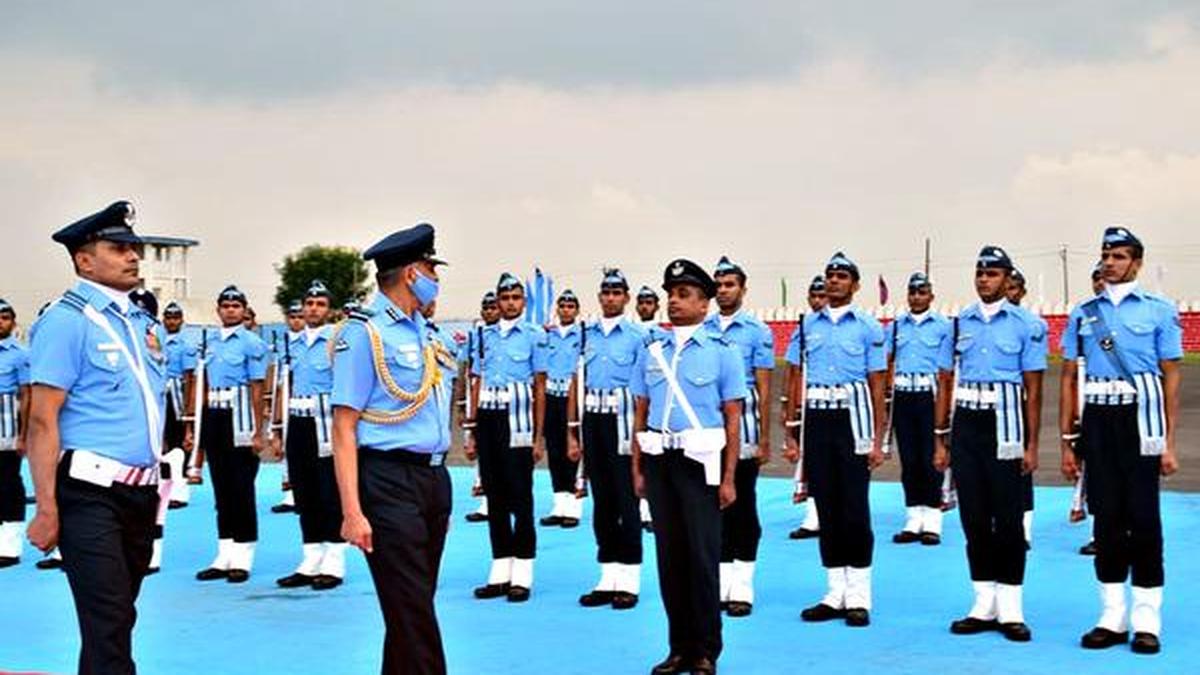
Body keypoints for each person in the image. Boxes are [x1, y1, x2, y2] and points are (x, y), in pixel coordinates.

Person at [25, 201, 166, 674]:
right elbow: (42, 420)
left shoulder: (142, 323)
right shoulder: (66, 321)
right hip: (89, 493)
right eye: (118, 249)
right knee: (108, 620)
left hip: (141, 493)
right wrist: (47, 508)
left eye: (133, 248)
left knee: (118, 619)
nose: (133, 256)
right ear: (85, 261)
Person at [331, 223, 456, 674]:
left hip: (433, 478)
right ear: (411, 274)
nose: (436, 278)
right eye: (431, 269)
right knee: (412, 611)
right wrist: (352, 512)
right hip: (387, 481)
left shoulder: (429, 333)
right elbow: (343, 426)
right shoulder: (364, 334)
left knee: (411, 607)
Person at [1060, 226, 1180, 655]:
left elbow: (1171, 377)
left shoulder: (1159, 310)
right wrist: (1068, 440)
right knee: (1106, 518)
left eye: (1120, 256)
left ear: (1137, 263)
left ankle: (1147, 620)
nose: (1110, 263)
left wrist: (1167, 440)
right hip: (1099, 419)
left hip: (1141, 420)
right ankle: (1112, 616)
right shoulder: (1083, 312)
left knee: (1144, 520)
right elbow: (1069, 378)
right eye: (1106, 255)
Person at [631, 258, 745, 675]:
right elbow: (641, 412)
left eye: (684, 295)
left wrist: (729, 477)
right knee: (670, 558)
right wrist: (637, 469)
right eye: (671, 295)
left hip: (701, 464)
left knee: (701, 556)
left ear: (704, 304)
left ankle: (705, 650)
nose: (674, 302)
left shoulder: (722, 353)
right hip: (660, 461)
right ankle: (678, 647)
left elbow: (733, 418)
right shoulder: (652, 352)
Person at [935, 246, 1046, 643]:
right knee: (975, 517)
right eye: (980, 273)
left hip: (1007, 425)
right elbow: (946, 381)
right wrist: (941, 439)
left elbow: (1034, 390)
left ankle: (1011, 608)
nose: (984, 279)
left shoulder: (1027, 324)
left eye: (993, 273)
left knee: (1009, 518)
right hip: (968, 424)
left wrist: (1032, 445)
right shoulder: (958, 323)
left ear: (1007, 278)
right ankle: (983, 603)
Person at [788, 253, 887, 628]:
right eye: (830, 275)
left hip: (852, 421)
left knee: (854, 508)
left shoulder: (867, 326)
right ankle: (834, 592)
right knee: (826, 506)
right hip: (818, 419)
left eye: (842, 276)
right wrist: (792, 433)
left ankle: (858, 595)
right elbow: (795, 378)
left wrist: (877, 439)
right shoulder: (806, 325)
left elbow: (878, 385)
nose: (833, 281)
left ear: (855, 285)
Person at [465, 273, 548, 602]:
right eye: (505, 298)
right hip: (489, 418)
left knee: (521, 498)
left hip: (518, 422)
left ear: (523, 302)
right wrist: (471, 431)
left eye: (515, 298)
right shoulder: (482, 336)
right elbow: (476, 382)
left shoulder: (534, 335)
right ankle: (500, 570)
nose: (510, 303)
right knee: (495, 496)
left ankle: (522, 574)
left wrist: (538, 437)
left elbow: (539, 387)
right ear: (497, 301)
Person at [570, 269, 646, 610]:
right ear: (599, 296)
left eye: (617, 292)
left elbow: (644, 387)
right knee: (602, 502)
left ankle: (628, 580)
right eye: (606, 292)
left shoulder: (638, 335)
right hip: (594, 419)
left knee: (627, 501)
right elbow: (577, 381)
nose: (611, 298)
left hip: (624, 421)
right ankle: (607, 576)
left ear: (626, 297)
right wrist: (573, 430)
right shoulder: (586, 333)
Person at [705, 256, 774, 617]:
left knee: (743, 505)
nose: (723, 291)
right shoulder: (703, 328)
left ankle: (742, 585)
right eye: (718, 285)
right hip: (709, 428)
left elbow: (763, 386)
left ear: (743, 290)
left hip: (744, 426)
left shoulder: (756, 331)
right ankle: (721, 581)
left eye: (729, 284)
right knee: (713, 507)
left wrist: (764, 438)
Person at [194, 285, 269, 583]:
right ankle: (224, 553)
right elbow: (203, 384)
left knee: (241, 488)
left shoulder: (252, 343)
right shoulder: (209, 342)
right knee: (221, 488)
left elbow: (257, 387)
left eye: (236, 306)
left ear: (244, 310)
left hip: (240, 417)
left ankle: (243, 555)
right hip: (215, 415)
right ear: (218, 310)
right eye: (225, 306)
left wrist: (258, 431)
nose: (230, 310)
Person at [275, 281, 347, 590]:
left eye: (320, 304)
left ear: (329, 310)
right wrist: (277, 427)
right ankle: (311, 558)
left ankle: (334, 561)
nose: (313, 309)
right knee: (304, 491)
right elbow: (283, 385)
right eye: (309, 304)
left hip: (326, 422)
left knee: (329, 492)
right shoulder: (292, 343)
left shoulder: (337, 341)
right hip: (298, 421)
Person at [886, 272, 951, 546]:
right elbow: (887, 361)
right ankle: (913, 519)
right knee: (910, 460)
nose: (916, 297)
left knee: (931, 458)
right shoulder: (895, 327)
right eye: (912, 292)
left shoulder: (944, 326)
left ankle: (933, 521)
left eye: (921, 292)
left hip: (930, 396)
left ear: (931, 296)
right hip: (904, 396)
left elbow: (948, 369)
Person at [1006, 267, 1044, 550]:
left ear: (1022, 292)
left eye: (1014, 288)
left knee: (1021, 470)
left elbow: (1034, 381)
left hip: (1018, 404)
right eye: (1007, 287)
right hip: (989, 406)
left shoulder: (1031, 325)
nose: (1009, 292)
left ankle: (1024, 529)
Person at [787, 275, 828, 540]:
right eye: (813, 296)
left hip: (842, 406)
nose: (817, 301)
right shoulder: (804, 328)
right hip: (811, 404)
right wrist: (788, 407)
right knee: (813, 461)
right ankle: (813, 516)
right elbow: (793, 371)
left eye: (821, 296)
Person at [541, 289, 583, 528]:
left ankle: (574, 507)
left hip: (572, 397)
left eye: (570, 306)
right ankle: (559, 504)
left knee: (573, 451)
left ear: (576, 310)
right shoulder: (548, 335)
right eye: (563, 306)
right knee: (555, 451)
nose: (566, 310)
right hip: (552, 397)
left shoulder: (583, 334)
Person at [464, 291, 500, 524]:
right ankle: (487, 500)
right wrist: (465, 408)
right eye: (485, 308)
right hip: (482, 398)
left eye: (493, 307)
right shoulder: (477, 335)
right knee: (484, 454)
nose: (489, 312)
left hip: (508, 403)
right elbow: (470, 372)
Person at [0, 298, 30, 568]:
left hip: (7, 427)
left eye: (5, 317)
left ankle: (10, 546)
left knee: (8, 483)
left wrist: (23, 434)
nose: (0, 322)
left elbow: (26, 395)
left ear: (13, 322)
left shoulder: (20, 354)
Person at [161, 301, 198, 510]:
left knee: (178, 441)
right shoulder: (158, 340)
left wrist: (188, 407)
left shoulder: (186, 345)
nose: (172, 322)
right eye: (169, 318)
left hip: (177, 395)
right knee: (162, 442)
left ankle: (180, 489)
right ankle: (165, 488)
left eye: (176, 318)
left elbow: (189, 377)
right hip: (159, 394)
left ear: (181, 320)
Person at [634, 285, 661, 532]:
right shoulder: (630, 332)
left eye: (649, 302)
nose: (645, 306)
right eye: (641, 302)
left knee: (650, 457)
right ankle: (635, 510)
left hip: (651, 401)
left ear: (656, 306)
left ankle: (651, 510)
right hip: (628, 402)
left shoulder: (662, 335)